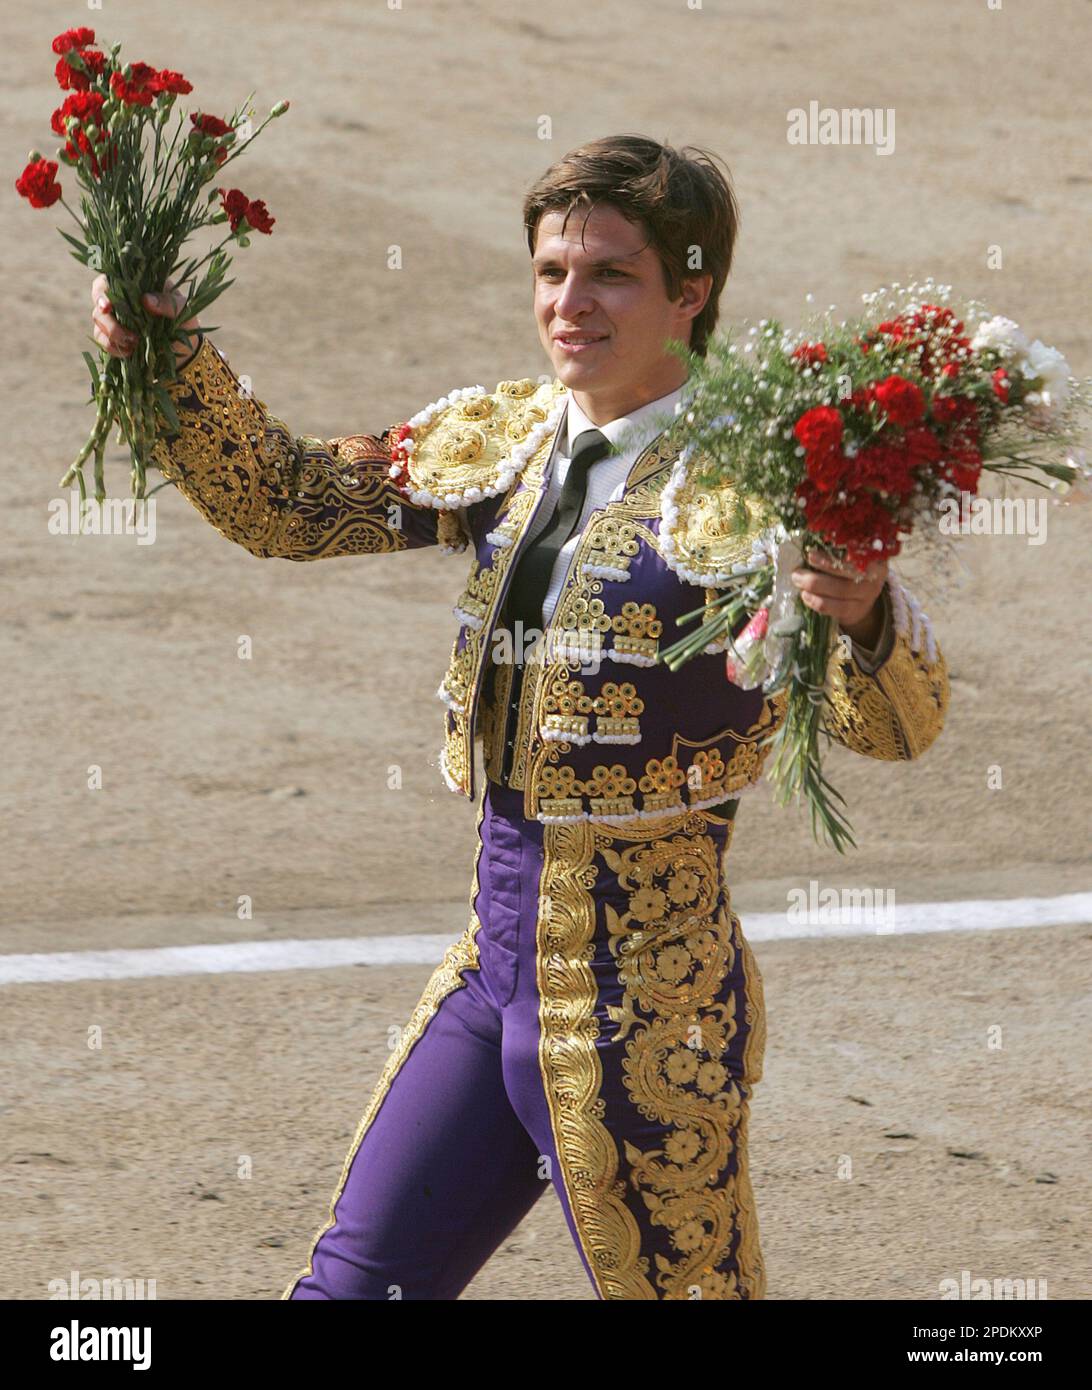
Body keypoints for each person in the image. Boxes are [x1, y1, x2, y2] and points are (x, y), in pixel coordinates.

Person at [90, 134, 949, 1300]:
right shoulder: (509, 439)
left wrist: (862, 613)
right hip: (496, 962)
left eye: (608, 275)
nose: (568, 303)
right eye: (551, 272)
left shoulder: (760, 486)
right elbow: (290, 502)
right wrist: (165, 357)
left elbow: (895, 725)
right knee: (350, 1292)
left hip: (653, 1001)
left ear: (691, 291)